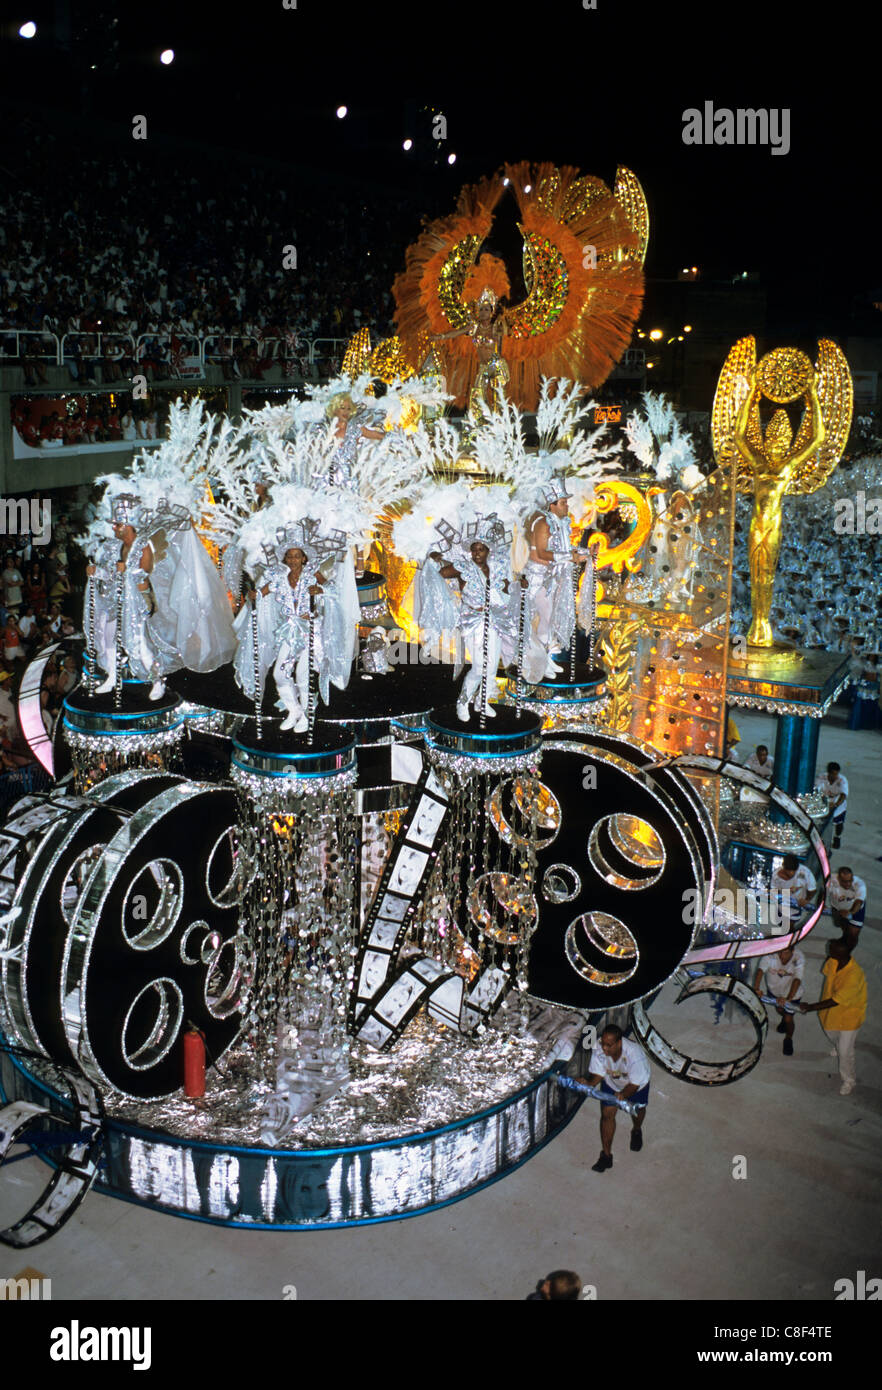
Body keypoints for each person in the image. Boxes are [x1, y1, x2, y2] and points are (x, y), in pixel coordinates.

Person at [522, 480, 592, 683]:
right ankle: (541, 662)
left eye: (566, 502)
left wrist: (587, 553)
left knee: (549, 621)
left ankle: (545, 660)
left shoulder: (561, 522)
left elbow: (565, 550)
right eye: (563, 502)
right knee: (546, 617)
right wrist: (570, 558)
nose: (567, 506)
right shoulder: (544, 523)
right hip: (538, 578)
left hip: (552, 578)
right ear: (552, 505)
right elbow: (540, 554)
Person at [799, 940, 866, 1095]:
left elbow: (835, 1001)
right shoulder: (833, 961)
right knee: (831, 1033)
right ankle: (839, 1046)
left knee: (845, 1052)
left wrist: (811, 1007)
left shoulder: (853, 977)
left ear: (841, 954)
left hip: (849, 1018)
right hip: (831, 1015)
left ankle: (849, 1080)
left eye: (831, 949)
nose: (828, 949)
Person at [586, 1024, 651, 1173]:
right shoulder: (598, 1047)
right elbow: (598, 1073)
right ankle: (606, 1156)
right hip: (612, 1083)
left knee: (638, 1110)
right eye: (603, 1044)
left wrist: (623, 1095)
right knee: (607, 1116)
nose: (604, 1049)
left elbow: (634, 1085)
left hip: (636, 1085)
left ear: (619, 1043)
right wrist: (589, 1084)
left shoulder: (635, 1055)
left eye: (609, 1045)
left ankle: (636, 1130)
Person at [754, 942, 805, 1055]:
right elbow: (760, 970)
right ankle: (784, 1019)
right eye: (780, 952)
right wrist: (756, 988)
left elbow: (797, 979)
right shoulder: (770, 953)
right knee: (779, 1010)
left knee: (788, 1019)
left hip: (793, 994)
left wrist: (788, 998)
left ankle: (788, 1038)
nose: (781, 956)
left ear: (792, 951)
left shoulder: (798, 958)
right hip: (774, 991)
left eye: (786, 953)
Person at [827, 866, 867, 950]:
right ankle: (845, 938)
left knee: (853, 935)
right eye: (845, 882)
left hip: (856, 909)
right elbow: (822, 892)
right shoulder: (830, 881)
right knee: (843, 926)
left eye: (850, 881)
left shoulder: (859, 884)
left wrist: (851, 912)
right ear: (838, 878)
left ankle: (847, 952)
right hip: (838, 907)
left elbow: (858, 902)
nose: (848, 884)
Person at [771, 853, 817, 923]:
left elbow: (812, 889)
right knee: (781, 923)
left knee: (790, 925)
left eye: (794, 870)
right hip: (782, 904)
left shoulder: (805, 872)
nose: (792, 873)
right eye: (789, 871)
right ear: (784, 867)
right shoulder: (776, 875)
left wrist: (807, 900)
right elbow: (774, 890)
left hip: (796, 905)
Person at [817, 762, 848, 849]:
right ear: (828, 772)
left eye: (837, 774)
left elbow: (843, 795)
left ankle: (837, 837)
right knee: (823, 823)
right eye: (833, 774)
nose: (835, 776)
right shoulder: (821, 777)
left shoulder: (842, 780)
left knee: (839, 823)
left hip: (838, 804)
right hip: (824, 803)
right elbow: (816, 789)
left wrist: (836, 805)